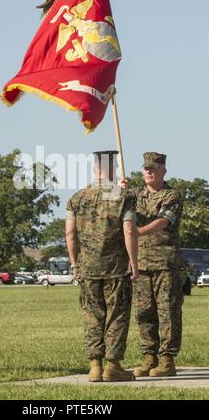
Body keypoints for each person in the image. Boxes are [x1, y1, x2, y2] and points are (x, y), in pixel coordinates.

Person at [66, 151, 138, 382]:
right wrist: (134, 263)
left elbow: (70, 233)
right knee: (116, 315)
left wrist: (75, 262)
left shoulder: (77, 198)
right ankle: (113, 365)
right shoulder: (124, 196)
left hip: (87, 268)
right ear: (112, 168)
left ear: (95, 167)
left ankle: (95, 366)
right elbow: (129, 231)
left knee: (92, 315)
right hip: (116, 268)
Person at [133, 152, 184, 377]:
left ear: (163, 170)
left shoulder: (172, 195)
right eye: (146, 168)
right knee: (144, 312)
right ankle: (149, 357)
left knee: (168, 312)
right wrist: (119, 190)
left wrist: (137, 232)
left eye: (153, 168)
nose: (148, 171)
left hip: (165, 262)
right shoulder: (134, 194)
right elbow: (110, 205)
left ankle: (167, 359)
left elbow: (164, 221)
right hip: (141, 263)